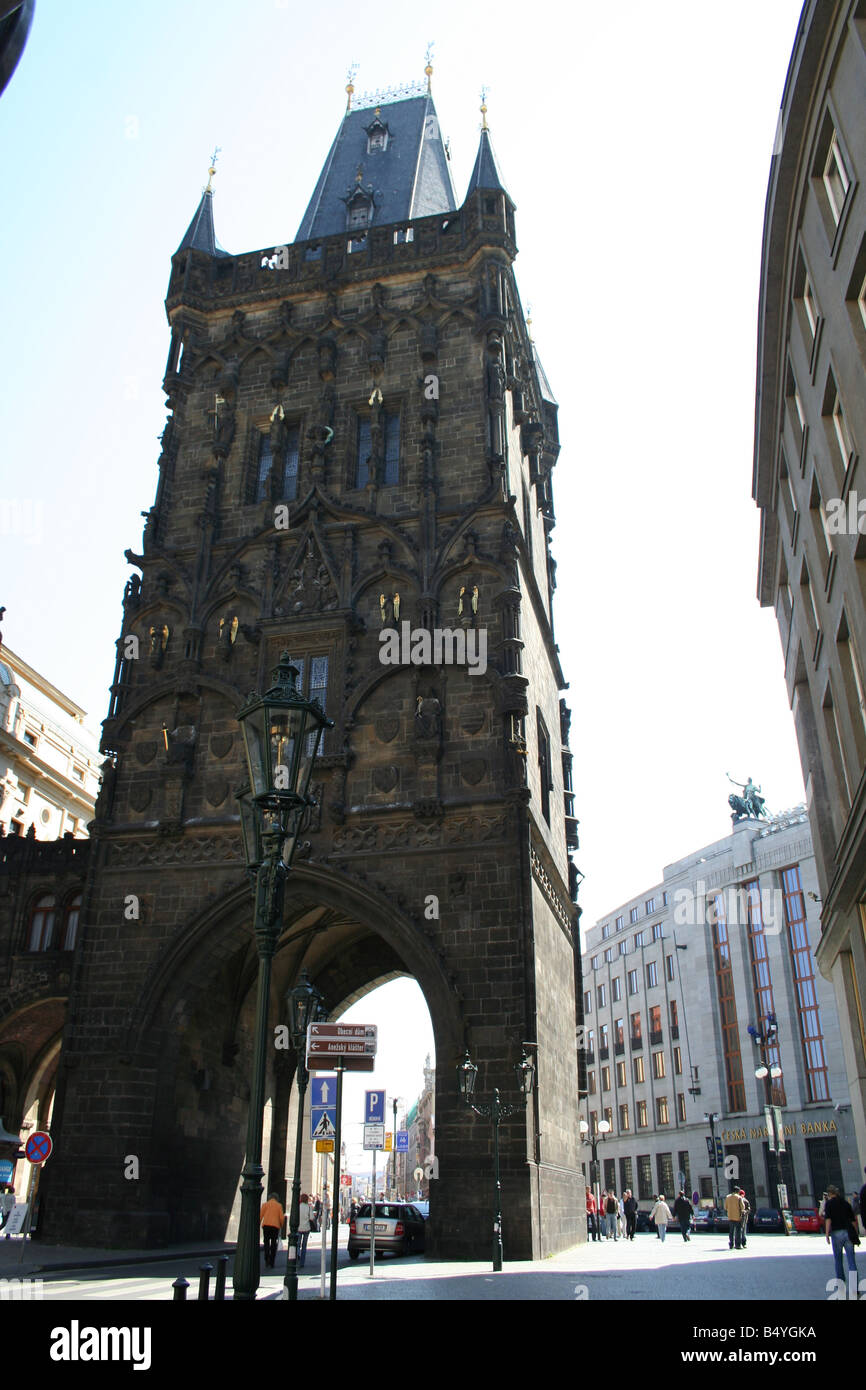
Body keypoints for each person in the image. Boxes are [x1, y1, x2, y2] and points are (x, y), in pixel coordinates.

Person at [824, 1183, 858, 1284]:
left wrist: (827, 1234)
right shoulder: (845, 1203)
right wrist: (855, 1233)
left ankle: (841, 1285)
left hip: (836, 1233)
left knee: (838, 1260)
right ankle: (854, 1287)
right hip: (848, 1233)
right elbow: (853, 1221)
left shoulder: (829, 1204)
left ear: (830, 1194)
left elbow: (828, 1220)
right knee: (852, 1261)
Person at [260, 1191, 285, 1270]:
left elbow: (260, 1215)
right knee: (274, 1243)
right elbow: (281, 1217)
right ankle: (272, 1261)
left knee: (266, 1242)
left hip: (266, 1225)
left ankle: (266, 1258)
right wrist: (281, 1225)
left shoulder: (265, 1204)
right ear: (276, 1198)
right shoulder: (279, 1206)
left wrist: (259, 1222)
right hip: (275, 1226)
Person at [297, 1192, 312, 1269]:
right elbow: (311, 1218)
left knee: (298, 1244)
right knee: (304, 1246)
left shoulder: (298, 1207)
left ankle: (297, 1256)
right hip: (306, 1228)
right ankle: (302, 1262)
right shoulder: (308, 1207)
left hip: (298, 1228)